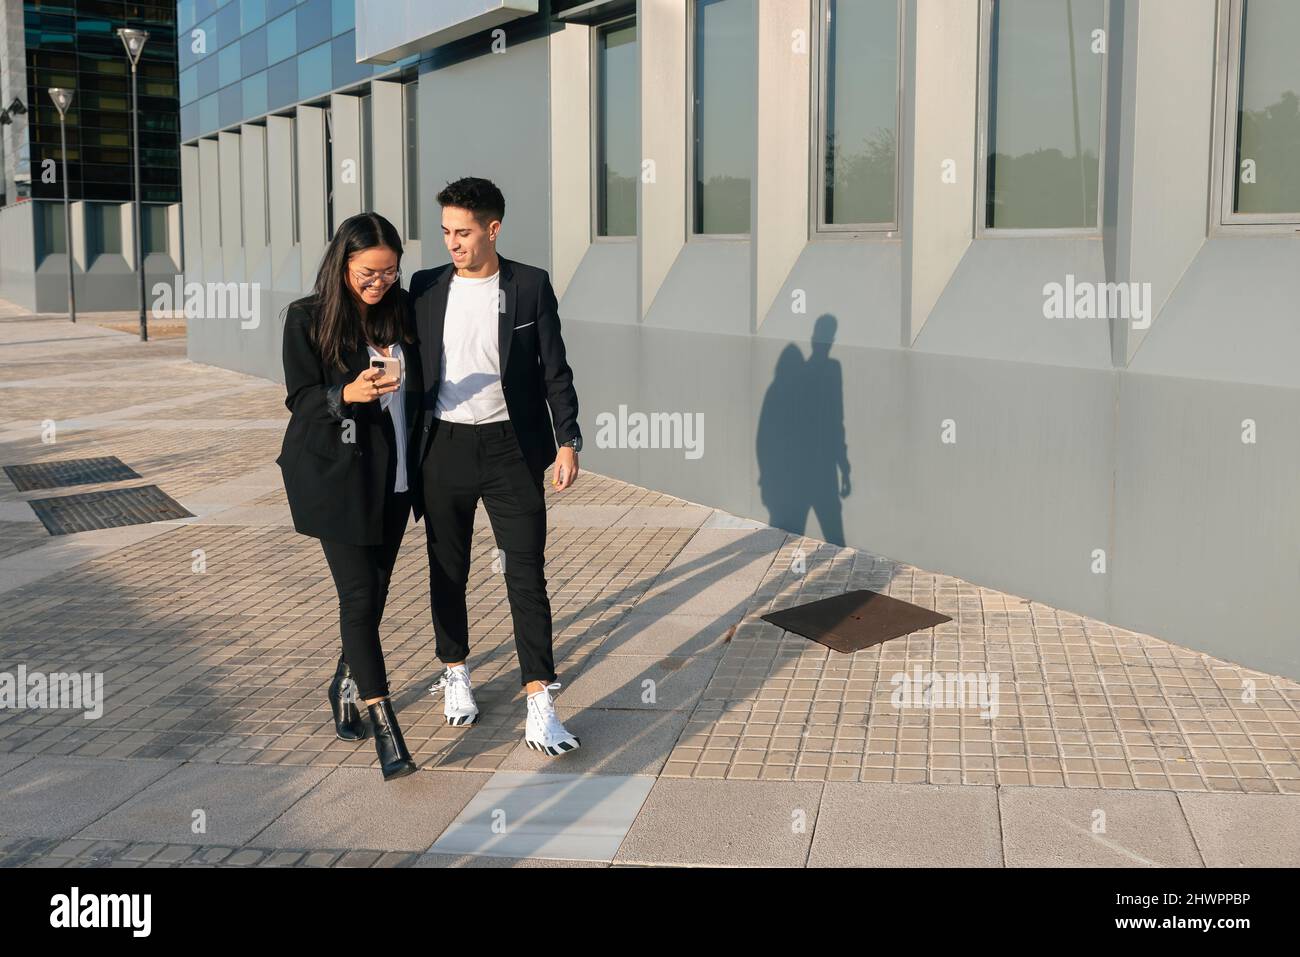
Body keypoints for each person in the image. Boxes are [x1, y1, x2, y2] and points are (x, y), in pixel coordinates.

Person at [408, 177, 584, 755]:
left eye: (462, 232)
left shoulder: (529, 286)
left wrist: (567, 440)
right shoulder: (426, 286)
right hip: (445, 448)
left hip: (513, 448)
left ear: (493, 228)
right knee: (447, 569)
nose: (452, 243)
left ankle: (540, 701)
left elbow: (554, 367)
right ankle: (455, 670)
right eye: (446, 233)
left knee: (525, 572)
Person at [275, 211, 423, 781]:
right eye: (368, 272)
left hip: (393, 477)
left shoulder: (402, 311)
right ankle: (385, 724)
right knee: (359, 599)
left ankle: (343, 681)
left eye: (389, 272)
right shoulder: (307, 317)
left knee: (375, 595)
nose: (379, 282)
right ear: (342, 262)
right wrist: (348, 393)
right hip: (337, 478)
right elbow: (301, 397)